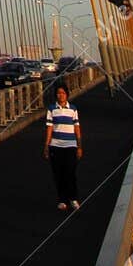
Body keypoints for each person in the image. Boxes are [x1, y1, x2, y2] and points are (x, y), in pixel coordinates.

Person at [44, 83, 82, 211]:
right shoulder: (51, 109)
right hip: (56, 145)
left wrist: (79, 146)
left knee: (70, 172)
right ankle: (62, 199)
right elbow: (49, 128)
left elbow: (77, 128)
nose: (61, 95)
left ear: (67, 95)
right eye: (58, 93)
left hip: (71, 145)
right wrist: (46, 146)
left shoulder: (73, 109)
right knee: (58, 174)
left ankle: (73, 198)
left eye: (63, 93)